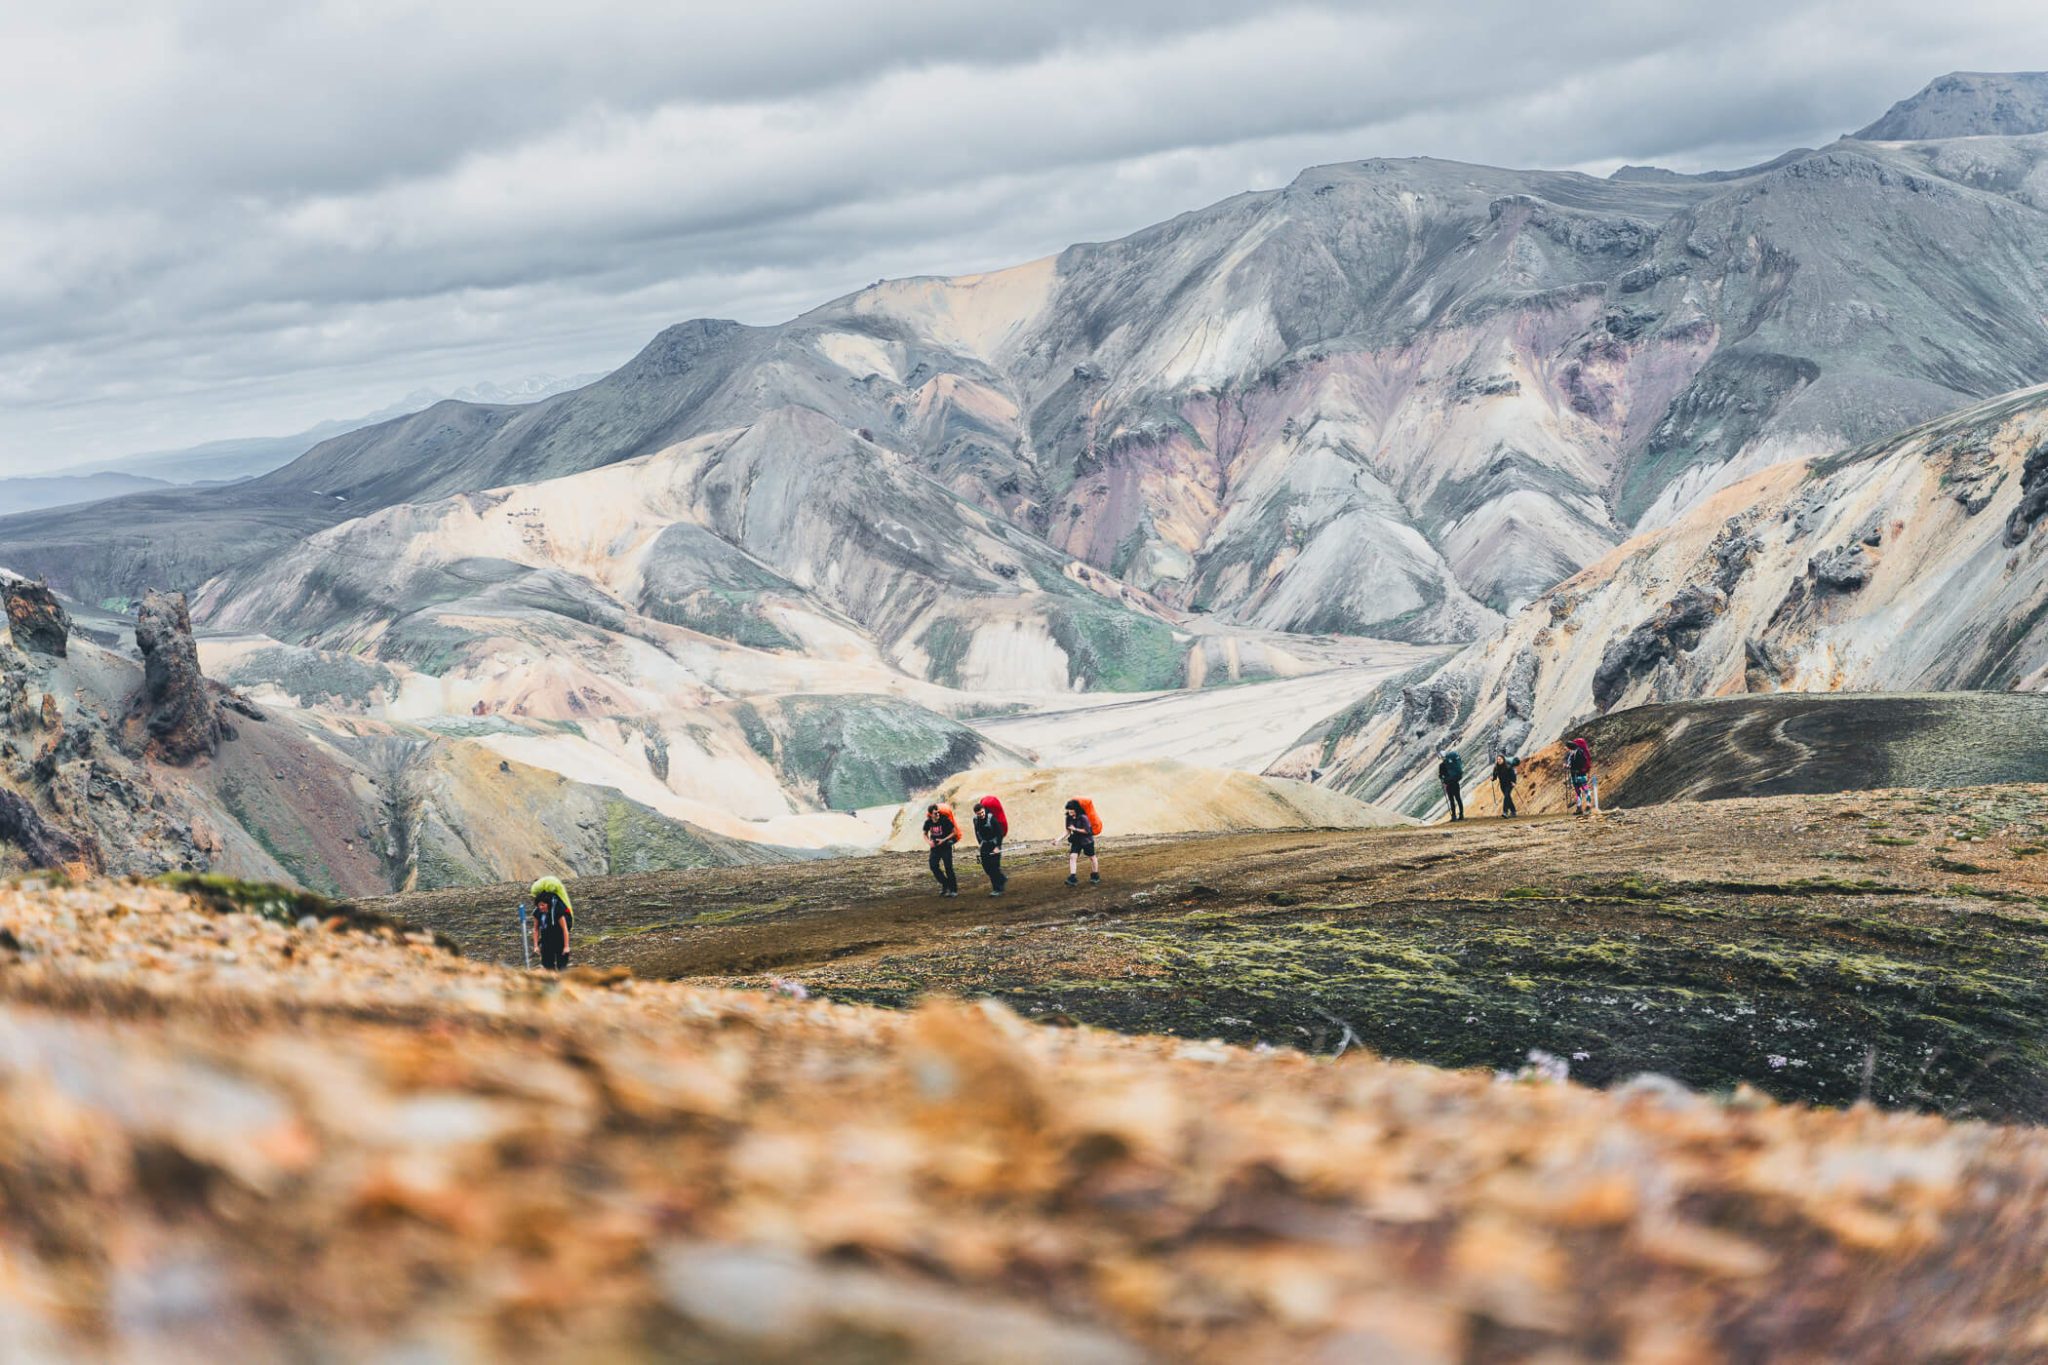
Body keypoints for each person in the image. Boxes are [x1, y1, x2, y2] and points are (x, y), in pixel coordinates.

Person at [530, 876, 574, 971]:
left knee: (562, 968)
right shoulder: (537, 913)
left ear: (548, 904)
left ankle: (564, 985)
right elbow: (536, 929)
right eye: (539, 905)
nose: (541, 907)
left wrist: (566, 947)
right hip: (546, 944)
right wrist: (536, 946)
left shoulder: (557, 911)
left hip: (560, 943)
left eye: (543, 905)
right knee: (548, 968)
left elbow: (565, 929)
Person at [972, 795, 1008, 897]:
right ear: (976, 813)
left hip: (994, 844)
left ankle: (997, 889)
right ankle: (1001, 879)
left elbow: (999, 833)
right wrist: (980, 843)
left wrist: (997, 847)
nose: (981, 815)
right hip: (985, 845)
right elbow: (976, 831)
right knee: (986, 866)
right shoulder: (975, 820)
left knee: (994, 867)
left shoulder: (991, 818)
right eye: (979, 814)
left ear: (984, 810)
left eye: (982, 812)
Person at [923, 803, 960, 897]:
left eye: (938, 812)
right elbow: (924, 833)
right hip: (935, 848)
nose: (938, 814)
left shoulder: (945, 820)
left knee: (948, 868)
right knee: (933, 866)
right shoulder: (928, 822)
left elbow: (954, 832)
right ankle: (945, 884)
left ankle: (953, 890)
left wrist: (943, 840)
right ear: (931, 814)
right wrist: (929, 842)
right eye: (935, 813)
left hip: (945, 847)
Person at [1064, 798, 1100, 885]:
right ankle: (1072, 877)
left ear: (1077, 810)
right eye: (1069, 810)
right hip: (1076, 840)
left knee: (1092, 857)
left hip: (1087, 840)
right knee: (1073, 856)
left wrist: (1075, 829)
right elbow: (1068, 830)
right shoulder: (1068, 818)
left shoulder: (1084, 818)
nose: (1070, 812)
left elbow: (1087, 831)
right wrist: (1057, 840)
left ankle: (1095, 875)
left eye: (1072, 810)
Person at [1566, 737, 1595, 816]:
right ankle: (1586, 806)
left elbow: (1577, 764)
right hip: (1581, 775)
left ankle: (1582, 808)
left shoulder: (1577, 753)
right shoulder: (1579, 752)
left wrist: (1569, 767)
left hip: (1577, 775)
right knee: (1584, 790)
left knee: (1579, 792)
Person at [1437, 749, 1465, 822]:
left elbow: (1440, 775)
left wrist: (1443, 780)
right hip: (1455, 783)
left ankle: (1454, 816)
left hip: (1448, 785)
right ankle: (1461, 815)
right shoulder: (1450, 764)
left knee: (1452, 800)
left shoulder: (1441, 766)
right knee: (1458, 799)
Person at [1493, 751, 1519, 818]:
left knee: (1506, 797)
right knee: (1508, 798)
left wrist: (1514, 782)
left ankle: (1505, 812)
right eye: (1498, 759)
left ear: (1503, 760)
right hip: (1502, 785)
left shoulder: (1508, 767)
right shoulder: (1496, 768)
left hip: (1509, 784)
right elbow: (1495, 776)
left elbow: (1513, 775)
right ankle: (1513, 811)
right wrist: (1493, 778)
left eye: (1500, 759)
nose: (1499, 761)